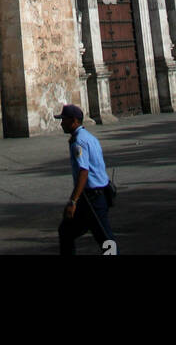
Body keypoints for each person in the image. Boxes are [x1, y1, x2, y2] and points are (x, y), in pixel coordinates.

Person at [55, 104, 115, 255]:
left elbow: (84, 171)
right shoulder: (89, 137)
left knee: (105, 238)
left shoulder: (78, 142)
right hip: (96, 193)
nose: (61, 123)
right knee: (66, 231)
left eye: (64, 120)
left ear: (74, 121)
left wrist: (73, 201)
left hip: (93, 197)